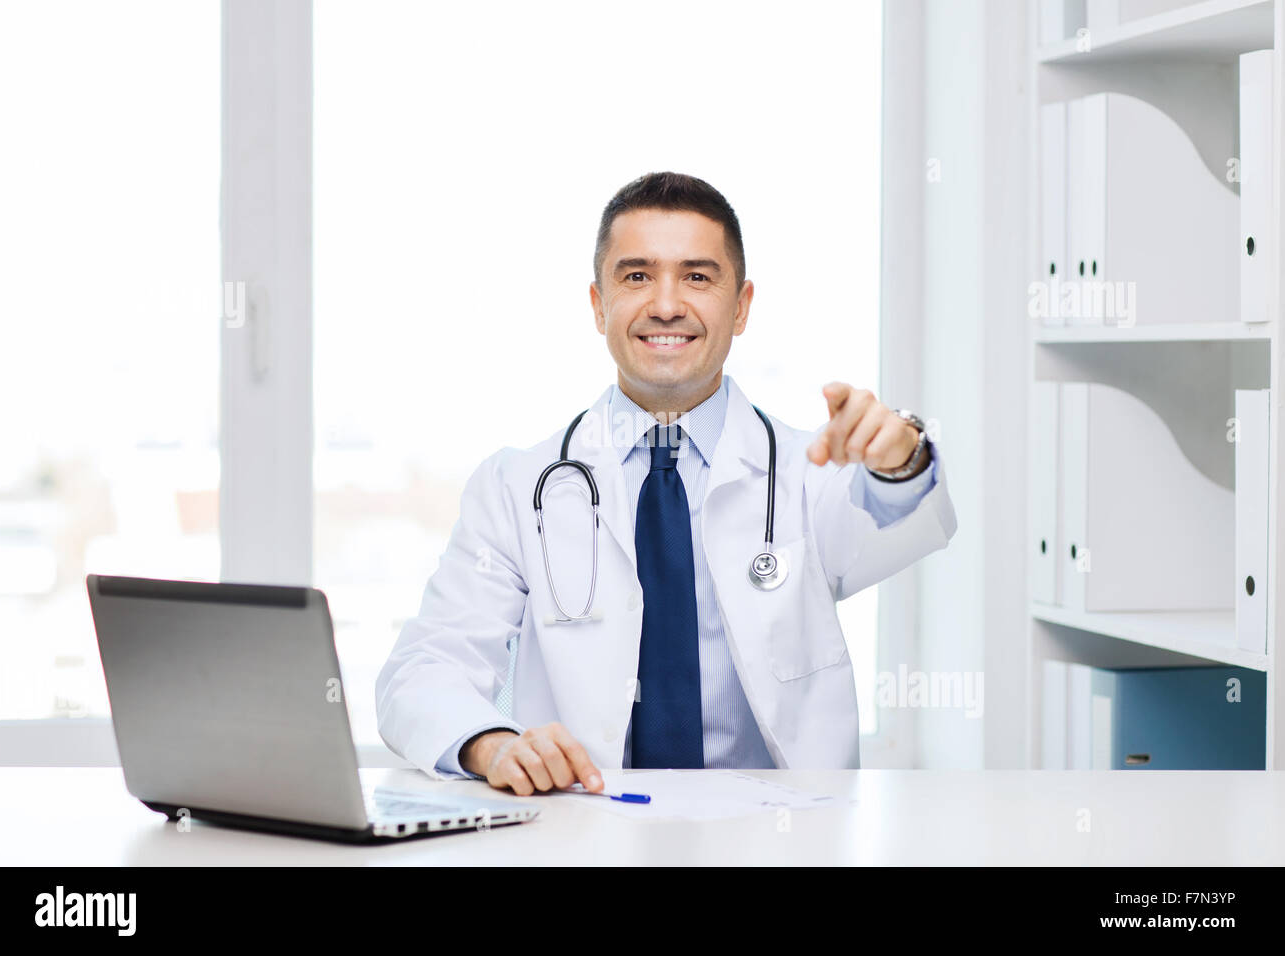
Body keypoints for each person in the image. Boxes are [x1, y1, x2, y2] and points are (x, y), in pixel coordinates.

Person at [377, 171, 957, 796]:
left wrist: (901, 456)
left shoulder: (803, 471)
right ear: (599, 306)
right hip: (583, 835)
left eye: (698, 277)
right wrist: (492, 745)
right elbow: (423, 670)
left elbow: (889, 515)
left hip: (778, 841)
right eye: (636, 276)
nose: (666, 304)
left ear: (741, 307)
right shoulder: (517, 487)